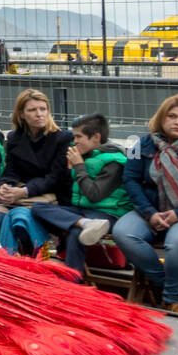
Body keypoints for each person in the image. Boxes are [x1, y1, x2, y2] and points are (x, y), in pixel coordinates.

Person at [31, 114, 133, 273]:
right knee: (37, 208)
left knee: (76, 232)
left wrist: (79, 166)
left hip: (108, 214)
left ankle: (72, 281)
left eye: (79, 136)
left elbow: (94, 195)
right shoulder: (86, 156)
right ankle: (45, 259)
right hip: (83, 214)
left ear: (96, 137)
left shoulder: (114, 161)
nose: (74, 141)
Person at [113, 95, 178, 311]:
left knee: (177, 244)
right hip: (148, 210)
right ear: (162, 117)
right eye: (172, 116)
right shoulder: (139, 144)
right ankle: (168, 287)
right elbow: (129, 179)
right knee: (123, 233)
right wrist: (149, 212)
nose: (177, 122)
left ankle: (172, 299)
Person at [0, 88, 72, 256]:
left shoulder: (62, 138)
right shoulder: (14, 138)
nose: (39, 114)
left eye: (43, 109)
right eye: (32, 110)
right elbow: (10, 171)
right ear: (22, 114)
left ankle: (31, 258)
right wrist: (4, 187)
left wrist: (23, 191)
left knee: (19, 219)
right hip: (21, 195)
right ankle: (8, 262)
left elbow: (55, 178)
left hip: (52, 197)